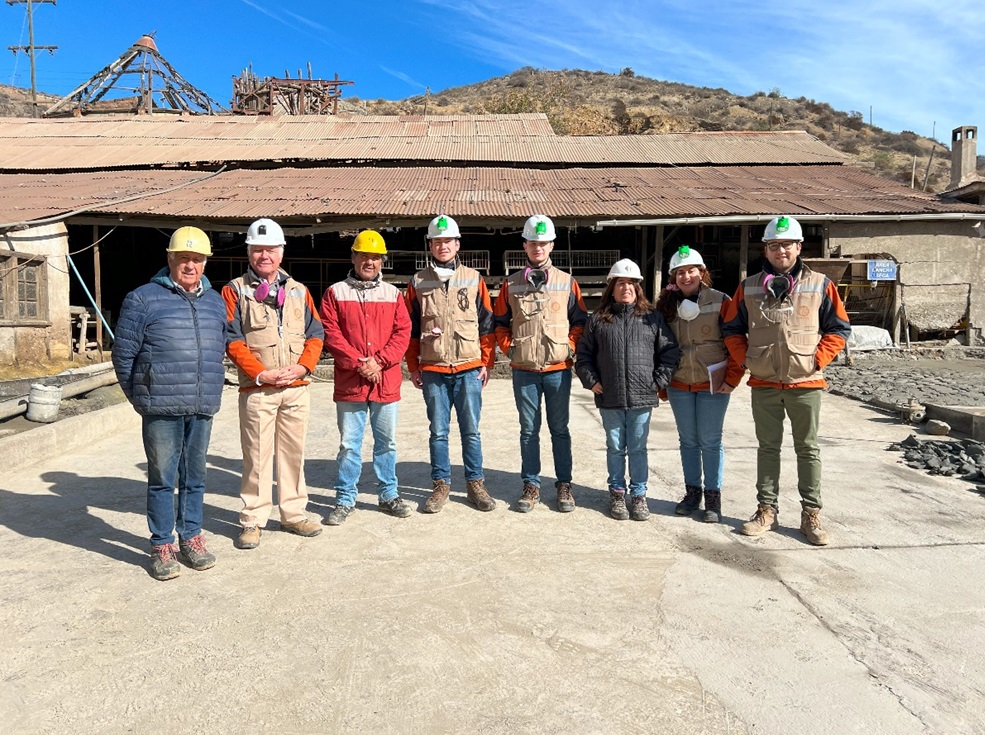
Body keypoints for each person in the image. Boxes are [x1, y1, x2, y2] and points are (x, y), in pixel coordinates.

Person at [721, 215, 850, 545]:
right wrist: (747, 361)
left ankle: (811, 515)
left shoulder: (820, 284)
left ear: (799, 247)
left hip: (805, 383)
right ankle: (766, 509)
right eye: (774, 245)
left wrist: (815, 360)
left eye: (787, 244)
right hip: (764, 383)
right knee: (768, 448)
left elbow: (838, 329)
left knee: (807, 448)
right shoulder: (748, 286)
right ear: (765, 249)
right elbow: (731, 330)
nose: (781, 250)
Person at [112, 226, 227, 581]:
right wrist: (140, 396)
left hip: (201, 403)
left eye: (196, 259)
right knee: (162, 478)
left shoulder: (215, 301)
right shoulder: (143, 298)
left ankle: (191, 537)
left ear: (206, 261)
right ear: (170, 259)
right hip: (160, 406)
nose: (190, 265)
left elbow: (222, 345)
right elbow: (123, 355)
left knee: (195, 476)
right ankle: (162, 544)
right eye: (183, 259)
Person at [223, 218, 325, 550]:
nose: (264, 255)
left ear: (281, 252)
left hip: (295, 388)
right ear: (249, 252)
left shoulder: (298, 290)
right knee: (256, 455)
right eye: (258, 249)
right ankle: (253, 519)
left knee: (293, 454)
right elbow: (233, 340)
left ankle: (294, 513)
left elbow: (316, 334)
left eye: (270, 249)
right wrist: (260, 373)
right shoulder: (235, 290)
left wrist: (302, 368)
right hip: (259, 390)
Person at [494, 214, 588, 513]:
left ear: (551, 245)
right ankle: (531, 484)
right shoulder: (511, 284)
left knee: (560, 429)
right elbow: (499, 324)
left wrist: (568, 346)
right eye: (533, 242)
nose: (538, 248)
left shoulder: (566, 282)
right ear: (525, 245)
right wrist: (511, 349)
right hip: (524, 371)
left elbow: (580, 322)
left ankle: (563, 485)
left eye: (543, 243)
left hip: (558, 370)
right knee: (528, 430)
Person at [405, 215, 497, 513]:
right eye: (437, 241)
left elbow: (487, 324)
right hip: (433, 370)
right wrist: (413, 366)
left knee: (471, 430)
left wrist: (486, 361)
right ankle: (441, 485)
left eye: (448, 241)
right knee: (439, 432)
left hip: (469, 367)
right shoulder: (418, 282)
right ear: (430, 245)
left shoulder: (473, 278)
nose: (442, 246)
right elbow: (408, 328)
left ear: (457, 244)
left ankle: (475, 484)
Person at [320, 229, 412, 525]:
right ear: (353, 257)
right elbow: (331, 333)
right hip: (352, 382)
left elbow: (403, 333)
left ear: (382, 261)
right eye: (364, 256)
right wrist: (359, 363)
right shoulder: (335, 293)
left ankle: (388, 495)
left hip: (385, 381)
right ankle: (345, 498)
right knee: (349, 444)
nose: (369, 262)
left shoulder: (393, 294)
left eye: (375, 257)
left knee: (387, 443)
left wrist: (380, 362)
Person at [575, 259, 679, 521]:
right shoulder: (599, 319)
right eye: (621, 283)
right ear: (612, 287)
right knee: (614, 447)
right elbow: (584, 355)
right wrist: (591, 380)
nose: (626, 288)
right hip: (609, 395)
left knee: (638, 448)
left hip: (642, 396)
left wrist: (658, 381)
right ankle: (617, 493)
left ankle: (639, 495)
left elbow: (669, 352)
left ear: (638, 288)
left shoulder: (651, 318)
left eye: (631, 283)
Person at [655, 245, 744, 523]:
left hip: (712, 384)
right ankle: (692, 493)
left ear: (701, 273)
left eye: (691, 270)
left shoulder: (721, 301)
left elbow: (736, 342)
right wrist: (661, 383)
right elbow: (656, 346)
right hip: (680, 383)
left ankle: (713, 498)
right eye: (680, 272)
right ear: (673, 277)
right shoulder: (666, 307)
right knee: (688, 441)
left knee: (710, 440)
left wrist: (732, 378)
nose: (686, 277)